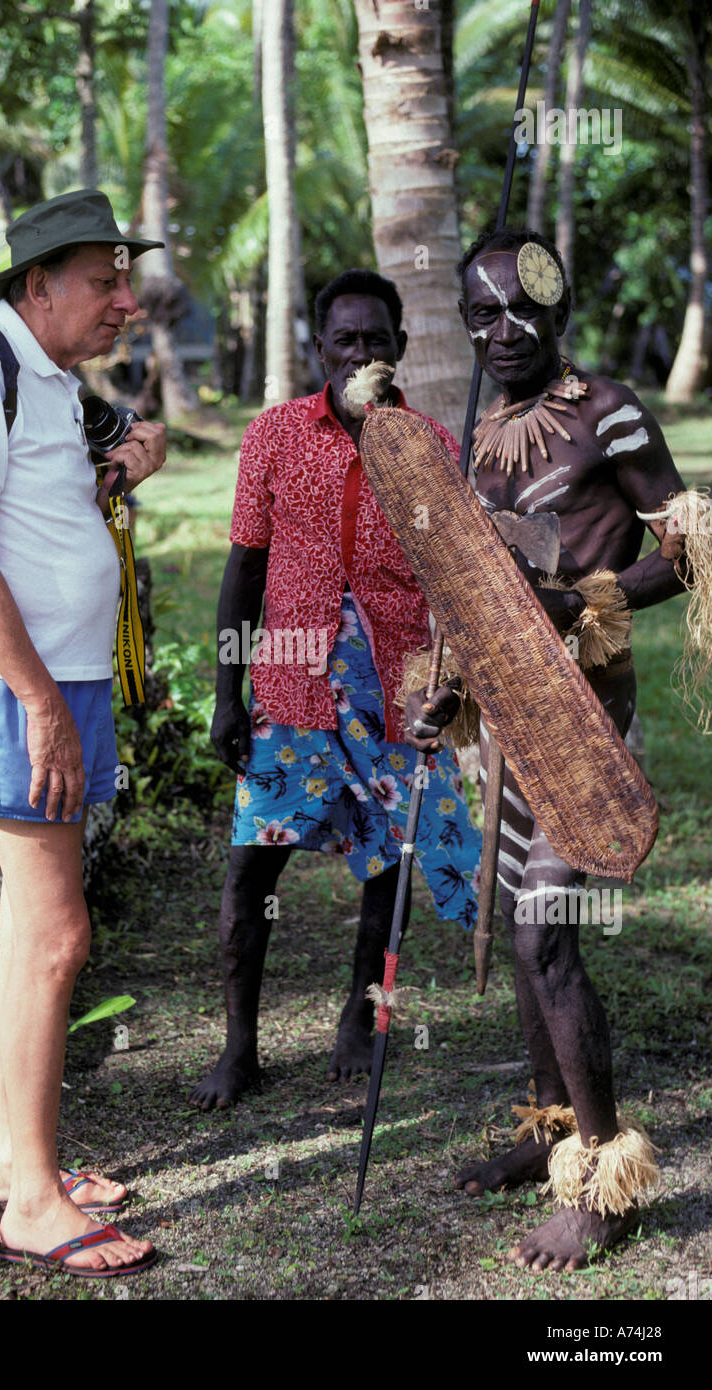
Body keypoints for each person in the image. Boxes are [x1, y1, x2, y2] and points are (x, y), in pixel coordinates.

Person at [406, 226, 693, 1272]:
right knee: (526, 950)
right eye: (478, 314)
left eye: (516, 309)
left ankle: (607, 1183)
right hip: (509, 722)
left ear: (554, 307)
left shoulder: (606, 411)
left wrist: (585, 600)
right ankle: (547, 1133)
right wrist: (444, 685)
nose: (500, 331)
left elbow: (690, 546)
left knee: (543, 937)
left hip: (584, 725)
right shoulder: (487, 432)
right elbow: (481, 587)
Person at [0, 189, 166, 1277]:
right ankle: (35, 1205)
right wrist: (38, 705)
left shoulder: (49, 381)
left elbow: (42, 516)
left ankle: (5, 1161)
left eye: (124, 276)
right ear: (37, 286)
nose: (124, 298)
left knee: (28, 924)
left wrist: (119, 470)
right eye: (103, 280)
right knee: (58, 934)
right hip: (19, 687)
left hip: (56, 679)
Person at [191, 269, 482, 1112]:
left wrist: (447, 693)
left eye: (376, 338)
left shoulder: (431, 445)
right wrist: (226, 692)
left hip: (393, 693)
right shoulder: (274, 435)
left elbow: (455, 583)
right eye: (345, 339)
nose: (362, 352)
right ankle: (239, 1045)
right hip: (290, 688)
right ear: (320, 349)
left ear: (400, 346)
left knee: (389, 857)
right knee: (252, 864)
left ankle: (358, 1019)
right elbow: (244, 569)